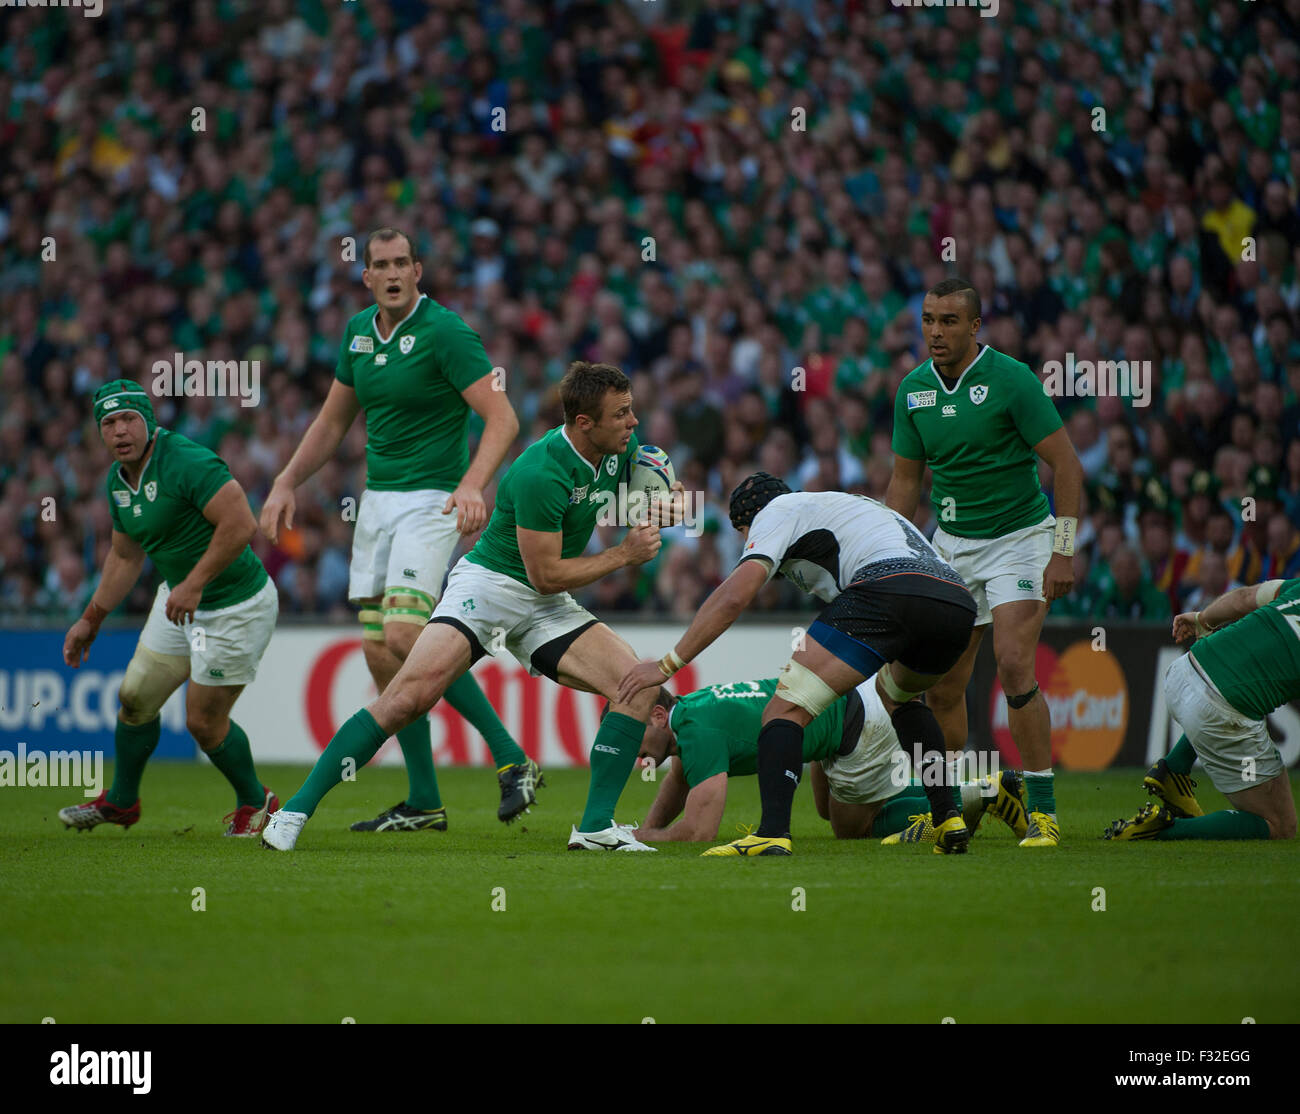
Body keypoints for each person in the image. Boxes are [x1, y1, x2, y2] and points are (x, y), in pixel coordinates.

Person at [263, 361, 678, 852]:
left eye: (631, 411)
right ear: (584, 423)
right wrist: (622, 554)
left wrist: (659, 506)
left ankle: (594, 828)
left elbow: (635, 502)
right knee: (406, 700)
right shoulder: (539, 472)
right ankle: (292, 813)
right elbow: (545, 572)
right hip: (490, 586)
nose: (634, 423)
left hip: (545, 602)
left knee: (638, 685)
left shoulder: (621, 448)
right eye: (622, 414)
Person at [261, 228, 535, 830]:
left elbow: (503, 416)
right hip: (377, 505)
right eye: (378, 264)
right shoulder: (359, 333)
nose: (390, 273)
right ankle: (424, 801)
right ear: (366, 276)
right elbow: (333, 423)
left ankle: (511, 757)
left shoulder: (447, 332)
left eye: (400, 263)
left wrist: (471, 484)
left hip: (431, 500)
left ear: (418, 269)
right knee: (381, 653)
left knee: (409, 634)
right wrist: (285, 481)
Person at [619, 474, 979, 856]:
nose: (748, 543)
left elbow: (733, 597)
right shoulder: (842, 507)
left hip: (888, 585)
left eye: (744, 535)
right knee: (901, 700)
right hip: (954, 601)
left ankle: (772, 833)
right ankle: (947, 817)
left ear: (749, 521)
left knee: (785, 708)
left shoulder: (776, 512)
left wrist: (667, 664)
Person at [886, 277, 1082, 847]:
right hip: (950, 547)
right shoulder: (913, 390)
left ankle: (1043, 809)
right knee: (943, 690)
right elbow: (904, 482)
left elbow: (1066, 466)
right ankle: (947, 811)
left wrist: (1062, 549)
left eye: (948, 321)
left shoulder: (1012, 380)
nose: (935, 332)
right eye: (927, 320)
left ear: (975, 327)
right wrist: (887, 552)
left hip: (1020, 539)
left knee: (1016, 664)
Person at [59, 380, 280, 837]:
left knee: (202, 722)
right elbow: (125, 557)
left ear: (149, 421)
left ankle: (258, 803)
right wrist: (89, 618)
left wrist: (195, 583)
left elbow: (242, 523)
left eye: (128, 420)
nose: (120, 431)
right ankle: (121, 802)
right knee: (135, 697)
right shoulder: (117, 483)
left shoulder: (184, 460)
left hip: (235, 606)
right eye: (109, 423)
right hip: (180, 602)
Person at [631, 679, 1027, 844]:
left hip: (857, 725)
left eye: (634, 741)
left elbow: (701, 831)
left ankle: (979, 795)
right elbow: (680, 780)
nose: (637, 758)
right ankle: (964, 793)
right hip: (846, 707)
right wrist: (643, 831)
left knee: (852, 827)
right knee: (825, 810)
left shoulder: (694, 730)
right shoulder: (691, 714)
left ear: (659, 716)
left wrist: (646, 838)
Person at [1105, 577, 1300, 841]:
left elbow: (1244, 598)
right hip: (1219, 711)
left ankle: (1174, 767)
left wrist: (1202, 619)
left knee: (1248, 691)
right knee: (1280, 825)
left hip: (1182, 672)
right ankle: (1161, 829)